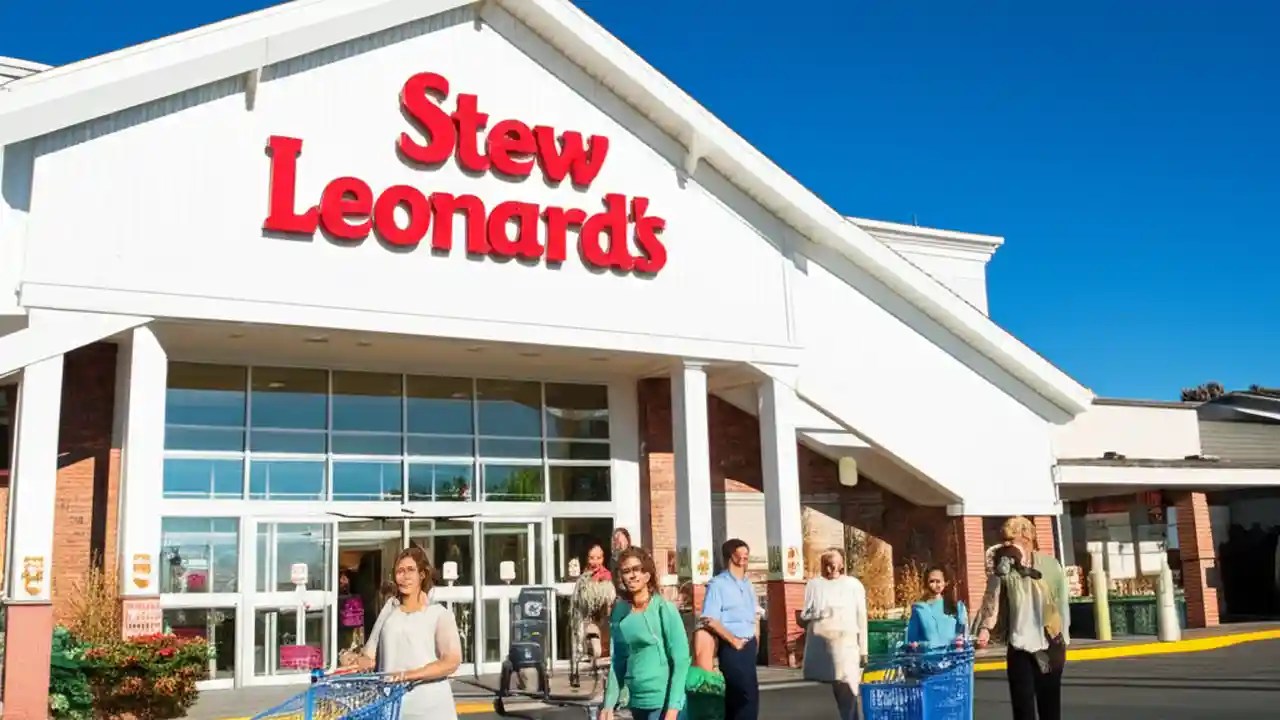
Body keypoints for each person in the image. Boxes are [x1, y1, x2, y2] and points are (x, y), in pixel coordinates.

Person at [345, 547, 463, 720]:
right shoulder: (389, 610)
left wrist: (408, 676)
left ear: (422, 575)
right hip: (392, 708)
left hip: (431, 709)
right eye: (400, 571)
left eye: (410, 570)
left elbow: (451, 661)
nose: (405, 576)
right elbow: (370, 656)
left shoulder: (438, 614)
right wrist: (352, 661)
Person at [974, 517, 1070, 720]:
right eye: (1005, 540)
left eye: (1011, 539)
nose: (1007, 544)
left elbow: (1062, 602)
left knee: (1049, 706)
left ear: (1027, 538)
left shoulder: (1050, 565)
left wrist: (1064, 638)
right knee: (1022, 707)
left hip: (1048, 645)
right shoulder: (1004, 565)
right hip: (1019, 646)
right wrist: (985, 627)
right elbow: (992, 597)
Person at [601, 546, 690, 720]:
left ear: (647, 575)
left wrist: (673, 709)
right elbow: (618, 660)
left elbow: (681, 660)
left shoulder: (664, 609)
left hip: (663, 703)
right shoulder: (620, 612)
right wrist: (608, 704)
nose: (632, 575)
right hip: (637, 702)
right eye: (626, 571)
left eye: (637, 569)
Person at [799, 549, 868, 720]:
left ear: (842, 565)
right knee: (827, 691)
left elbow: (861, 617)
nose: (831, 569)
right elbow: (804, 614)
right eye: (827, 565)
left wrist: (863, 649)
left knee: (848, 687)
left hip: (846, 644)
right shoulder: (814, 585)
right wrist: (818, 614)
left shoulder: (853, 585)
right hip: (821, 646)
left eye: (834, 565)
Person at [700, 539, 762, 720]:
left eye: (746, 555)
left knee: (748, 697)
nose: (744, 558)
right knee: (743, 694)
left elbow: (755, 613)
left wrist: (756, 637)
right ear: (730, 556)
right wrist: (733, 640)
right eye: (739, 554)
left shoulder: (747, 584)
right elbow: (709, 619)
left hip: (749, 645)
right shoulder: (718, 584)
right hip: (731, 646)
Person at [906, 565, 967, 649]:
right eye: (932, 581)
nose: (935, 584)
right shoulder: (919, 609)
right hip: (929, 655)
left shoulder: (956, 607)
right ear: (926, 583)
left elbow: (963, 636)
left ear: (945, 583)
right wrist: (922, 645)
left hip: (951, 655)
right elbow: (912, 640)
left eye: (938, 581)